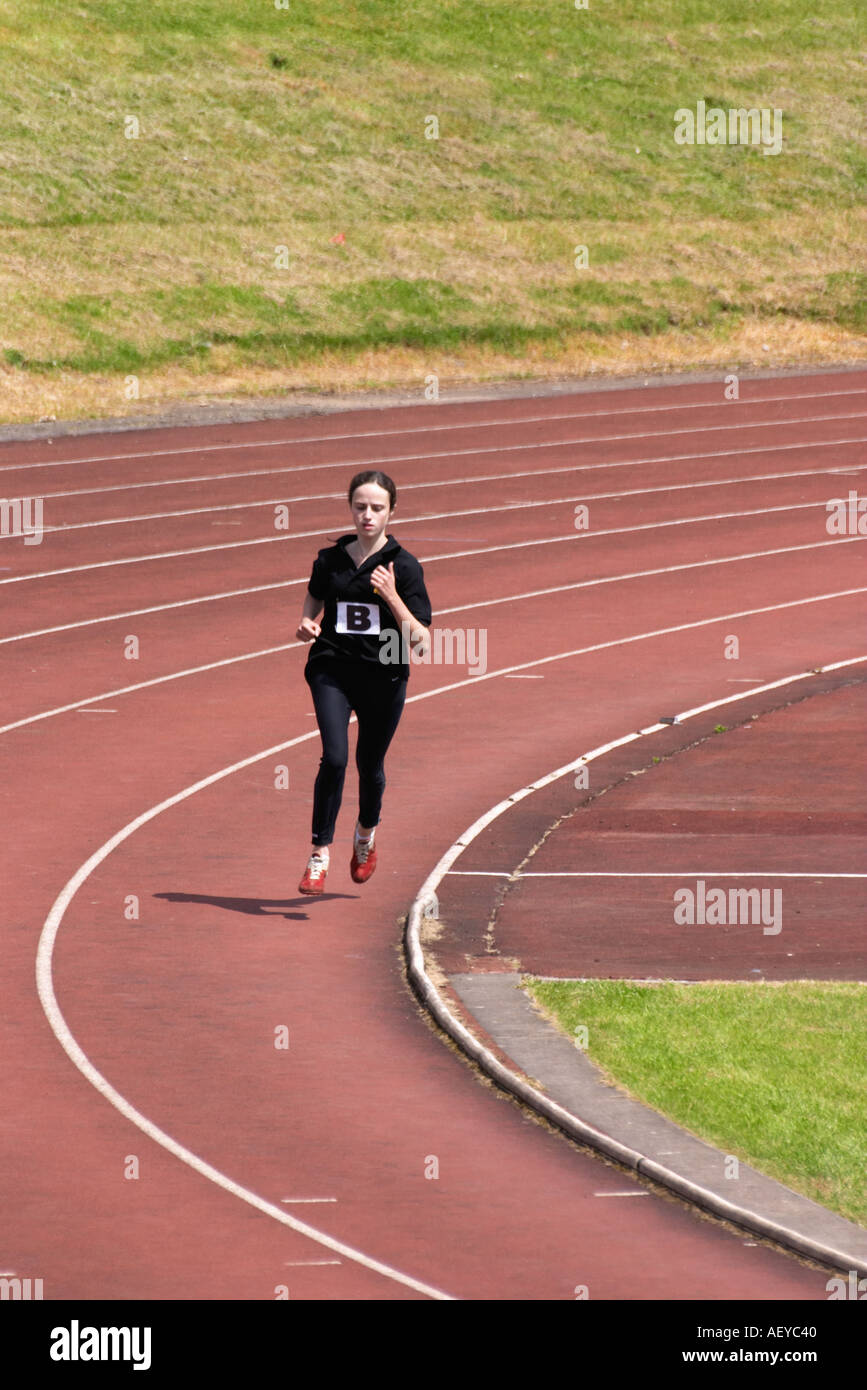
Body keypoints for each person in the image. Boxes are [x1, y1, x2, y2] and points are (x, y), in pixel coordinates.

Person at [295, 469, 432, 894]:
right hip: (332, 668)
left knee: (369, 765)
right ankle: (319, 853)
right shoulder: (330, 558)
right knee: (334, 757)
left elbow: (422, 641)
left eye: (376, 508)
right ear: (350, 508)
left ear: (391, 511)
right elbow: (316, 594)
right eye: (360, 507)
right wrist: (306, 621)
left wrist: (391, 596)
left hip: (384, 673)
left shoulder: (404, 567)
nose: (367, 516)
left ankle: (365, 836)